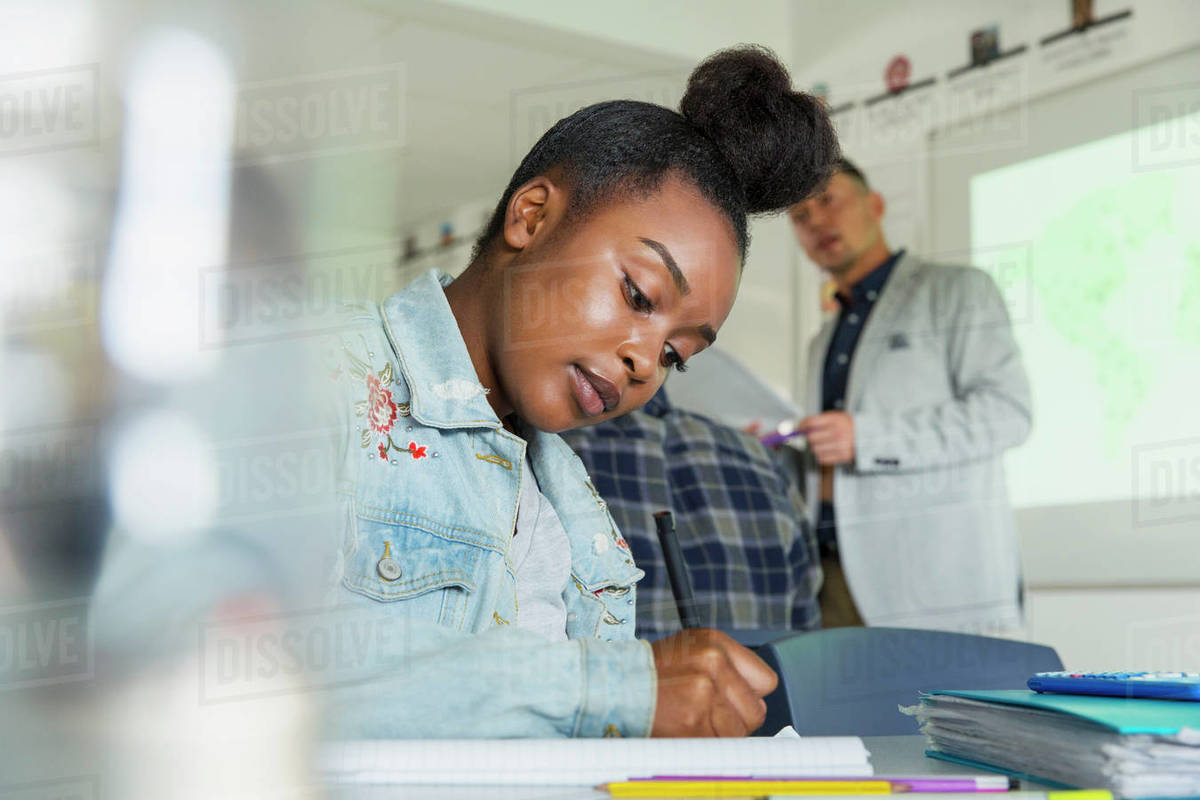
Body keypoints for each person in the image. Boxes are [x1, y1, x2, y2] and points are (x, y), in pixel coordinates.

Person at [326, 46, 839, 738]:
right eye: (638, 293)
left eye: (674, 355)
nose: (642, 364)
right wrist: (609, 689)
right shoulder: (320, 381)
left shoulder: (576, 514)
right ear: (532, 217)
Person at [787, 158, 1031, 632]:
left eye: (827, 200)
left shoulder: (958, 291)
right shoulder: (822, 339)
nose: (816, 221)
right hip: (832, 578)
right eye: (800, 216)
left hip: (939, 583)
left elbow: (1008, 413)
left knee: (945, 708)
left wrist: (867, 438)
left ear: (874, 205)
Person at [560, 387, 821, 640]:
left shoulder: (553, 452)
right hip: (761, 680)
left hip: (615, 678)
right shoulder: (761, 461)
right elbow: (805, 635)